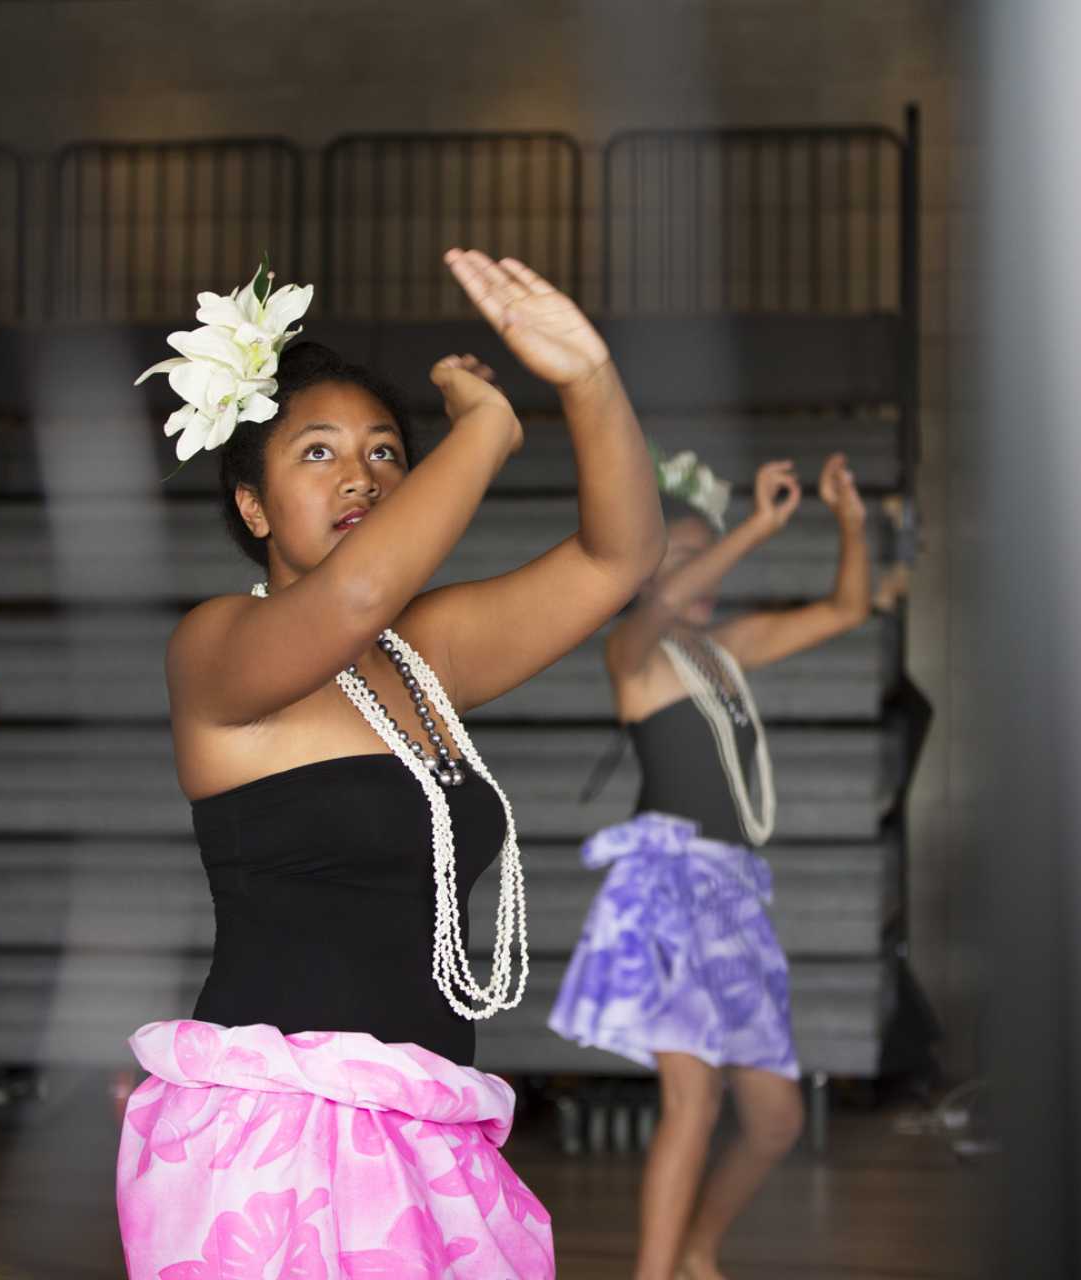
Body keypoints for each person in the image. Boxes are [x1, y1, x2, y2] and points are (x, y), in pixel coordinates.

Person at [114, 251, 664, 1280]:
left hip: (430, 1123)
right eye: (316, 453)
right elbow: (357, 597)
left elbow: (617, 559)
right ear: (253, 506)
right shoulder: (217, 644)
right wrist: (491, 427)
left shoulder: (425, 654)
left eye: (384, 452)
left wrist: (588, 377)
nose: (361, 474)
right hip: (275, 1138)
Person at [548, 448, 871, 1279]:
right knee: (692, 1099)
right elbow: (651, 609)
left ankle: (698, 1246)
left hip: (730, 895)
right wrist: (757, 527)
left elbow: (845, 608)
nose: (704, 570)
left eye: (708, 553)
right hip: (663, 886)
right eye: (682, 556)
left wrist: (850, 521)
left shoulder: (723, 654)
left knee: (775, 1119)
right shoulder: (636, 654)